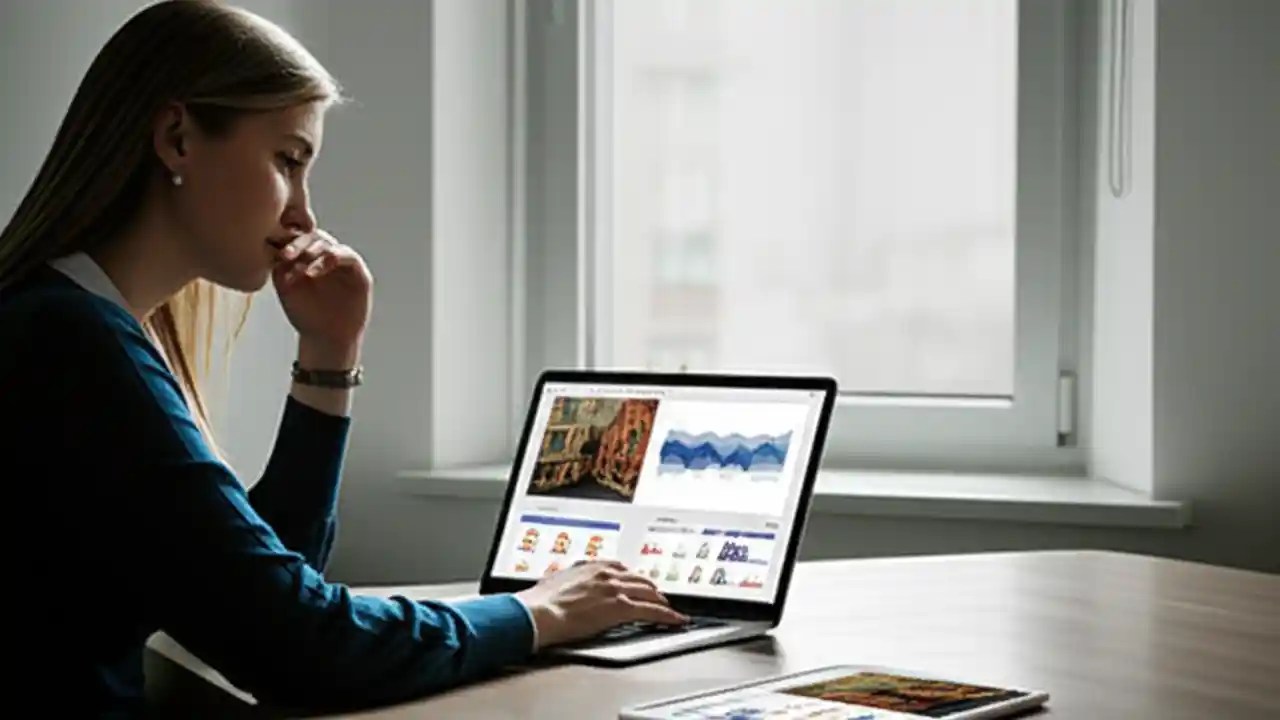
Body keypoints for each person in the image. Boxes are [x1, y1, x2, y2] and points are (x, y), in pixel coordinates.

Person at [0, 1, 686, 715]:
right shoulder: (72, 347)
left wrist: (330, 355)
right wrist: (538, 614)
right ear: (177, 138)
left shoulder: (61, 323)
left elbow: (251, 591)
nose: (304, 214)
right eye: (287, 160)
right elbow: (299, 645)